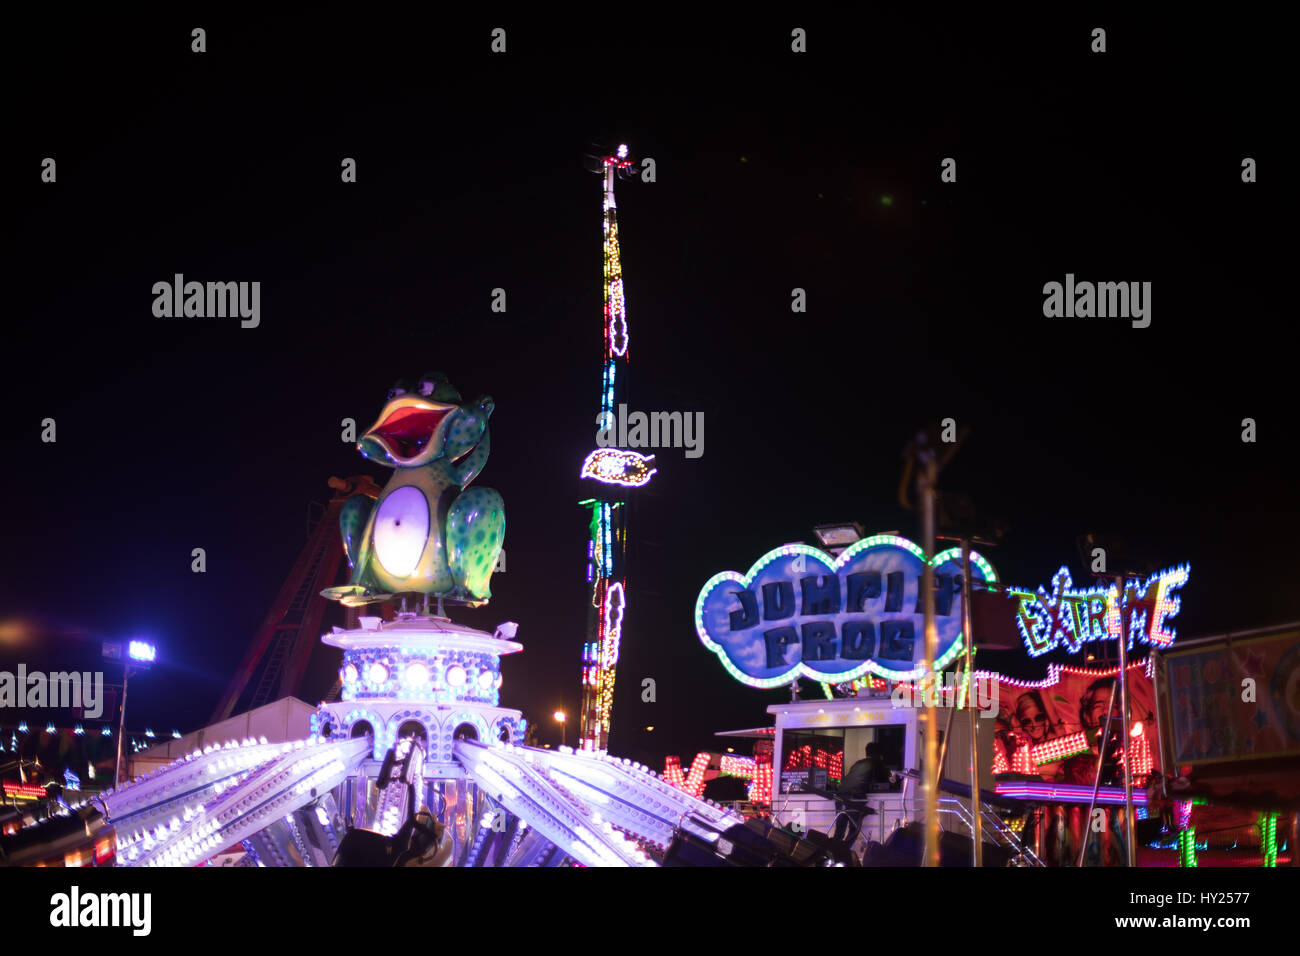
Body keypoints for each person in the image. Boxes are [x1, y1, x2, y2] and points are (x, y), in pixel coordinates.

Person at [832, 743, 888, 843]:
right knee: (854, 827)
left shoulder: (858, 763)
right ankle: (845, 851)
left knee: (840, 828)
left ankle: (834, 853)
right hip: (855, 796)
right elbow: (883, 781)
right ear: (879, 754)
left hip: (840, 794)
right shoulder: (877, 763)